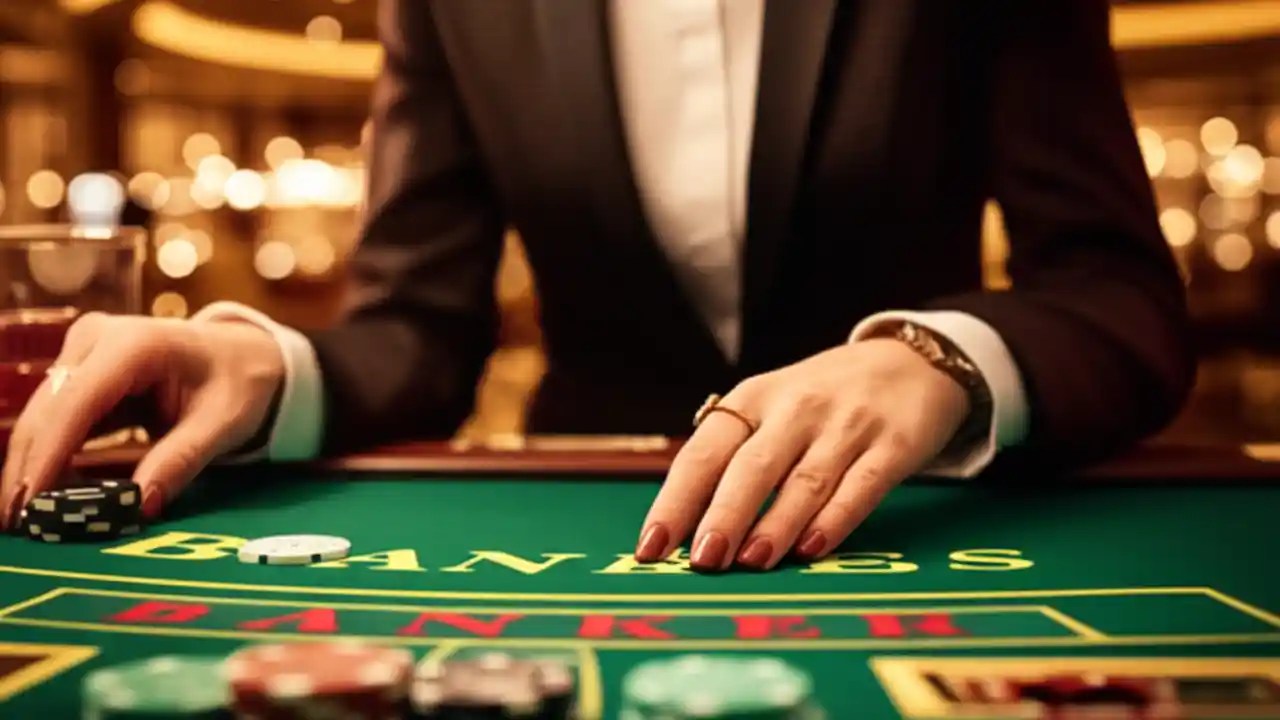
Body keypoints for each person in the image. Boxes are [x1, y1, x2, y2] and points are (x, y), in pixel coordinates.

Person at [0, 0, 1193, 572]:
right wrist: (261, 362)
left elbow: (1117, 297)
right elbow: (415, 329)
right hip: (594, 521)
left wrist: (930, 360)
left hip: (908, 517)